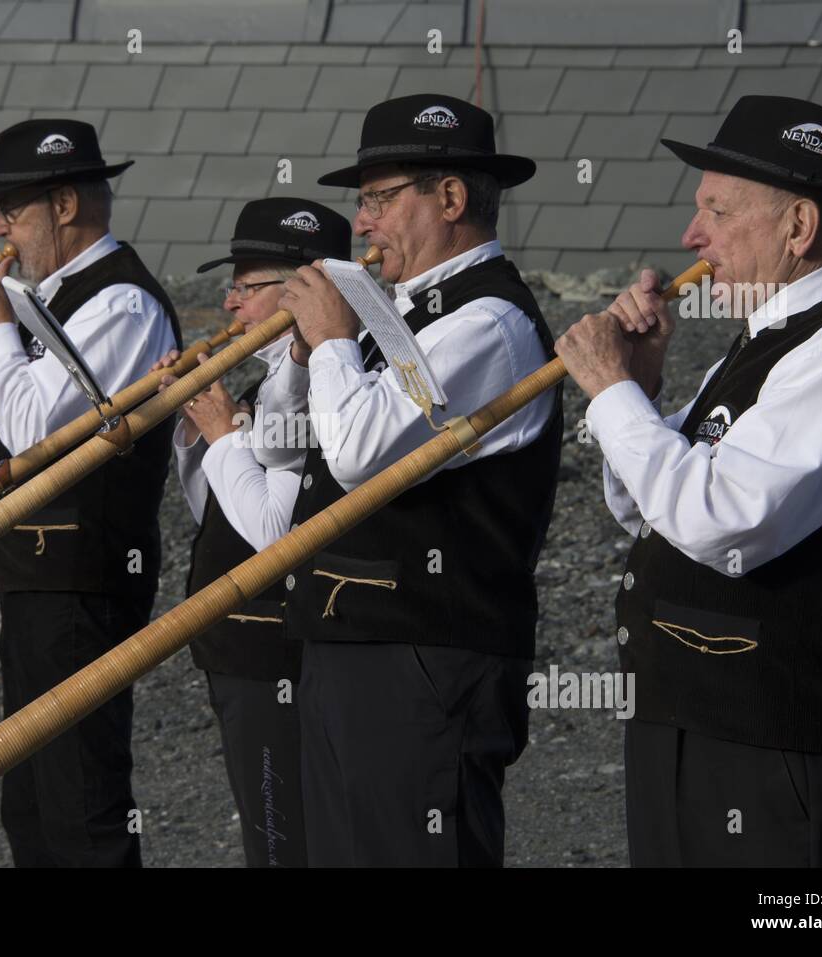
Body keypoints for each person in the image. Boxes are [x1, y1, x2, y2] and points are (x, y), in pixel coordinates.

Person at [554, 95, 822, 866]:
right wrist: (643, 389)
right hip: (696, 725)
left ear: (799, 227)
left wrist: (611, 393)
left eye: (717, 211)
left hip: (772, 747)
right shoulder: (764, 339)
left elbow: (722, 520)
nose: (692, 237)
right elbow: (650, 510)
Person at [258, 94, 562, 866]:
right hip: (349, 641)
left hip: (427, 656)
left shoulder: (486, 323)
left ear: (451, 198)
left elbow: (362, 455)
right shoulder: (402, 311)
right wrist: (302, 354)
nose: (361, 224)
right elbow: (281, 443)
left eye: (379, 200)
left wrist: (331, 340)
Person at [0, 118, 180, 867]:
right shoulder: (43, 295)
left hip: (86, 577)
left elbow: (38, 430)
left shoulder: (120, 304)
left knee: (82, 803)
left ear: (65, 206)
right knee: (31, 804)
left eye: (12, 208)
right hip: (34, 572)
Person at [154, 197, 352, 867]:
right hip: (237, 645)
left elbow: (271, 536)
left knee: (281, 837)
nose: (231, 304)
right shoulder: (268, 378)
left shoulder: (315, 386)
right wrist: (195, 435)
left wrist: (220, 434)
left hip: (274, 652)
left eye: (246, 285)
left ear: (302, 289)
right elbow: (218, 513)